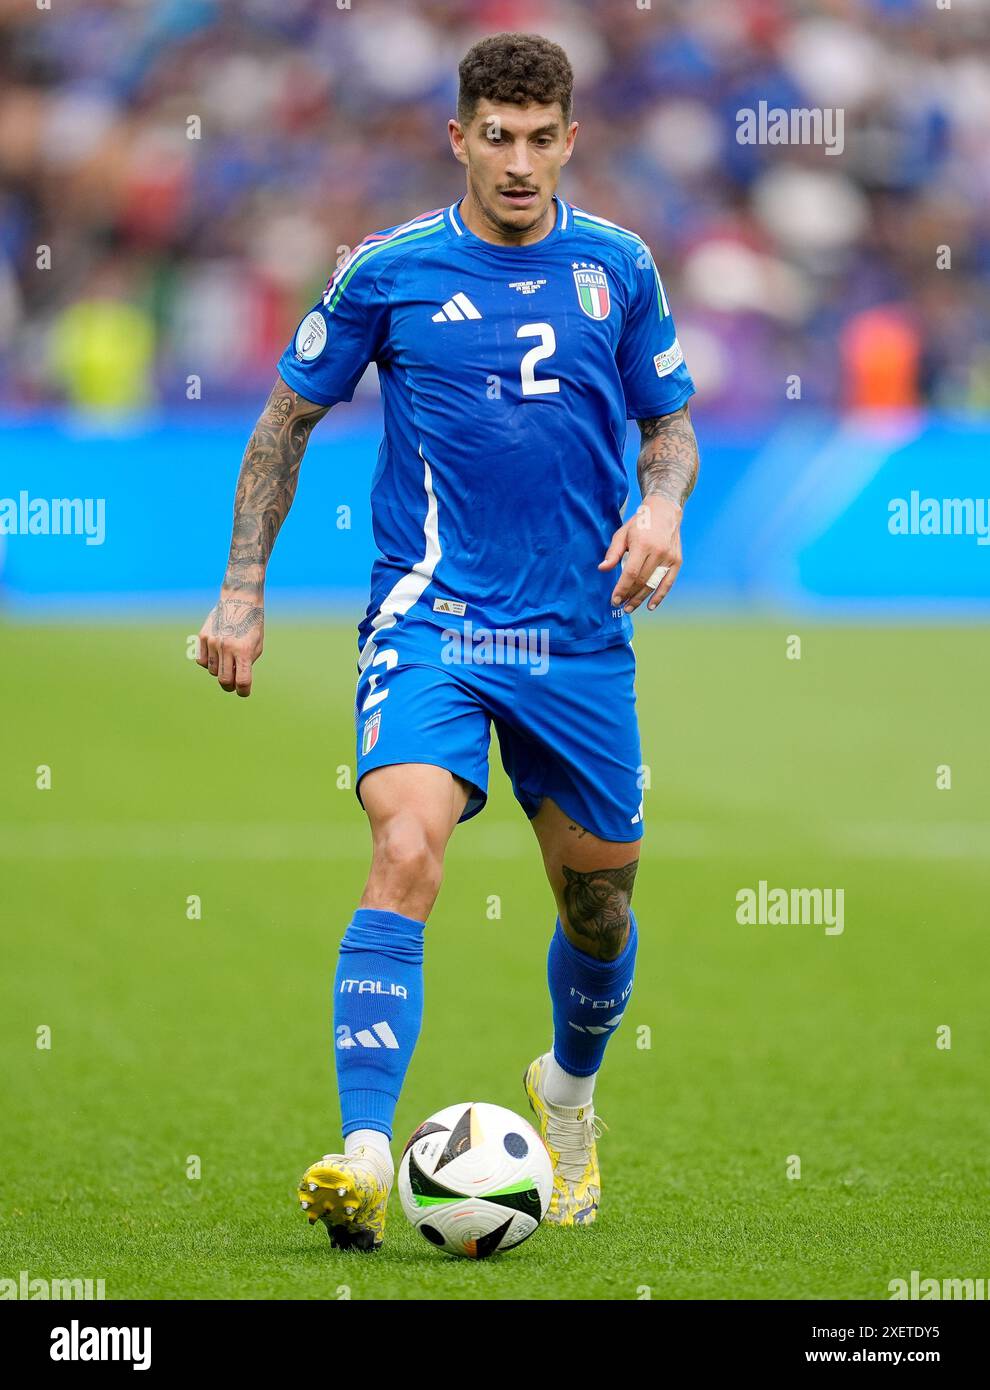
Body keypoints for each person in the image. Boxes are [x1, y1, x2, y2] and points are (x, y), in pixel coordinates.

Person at [197, 31, 700, 1252]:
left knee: (599, 912)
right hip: (434, 620)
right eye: (497, 136)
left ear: (570, 141)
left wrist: (664, 502)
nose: (518, 162)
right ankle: (367, 1153)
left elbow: (669, 426)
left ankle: (567, 1096)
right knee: (407, 844)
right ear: (459, 135)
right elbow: (285, 420)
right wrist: (242, 588)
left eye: (541, 140)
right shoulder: (389, 271)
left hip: (578, 634)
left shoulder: (619, 267)